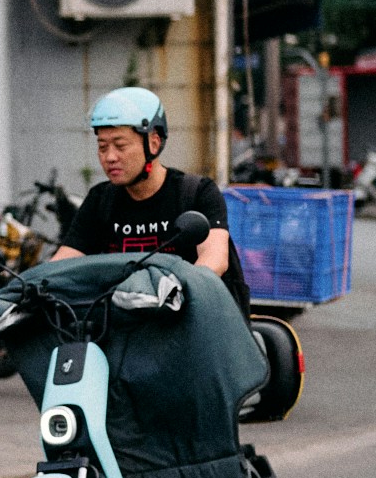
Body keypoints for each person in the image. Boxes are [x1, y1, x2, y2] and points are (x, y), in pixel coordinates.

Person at [46, 86, 249, 317]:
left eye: (120, 146)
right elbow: (65, 260)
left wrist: (172, 292)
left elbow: (214, 259)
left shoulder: (196, 193)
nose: (110, 157)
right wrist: (30, 285)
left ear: (153, 142)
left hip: (192, 325)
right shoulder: (100, 200)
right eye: (102, 147)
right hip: (123, 329)